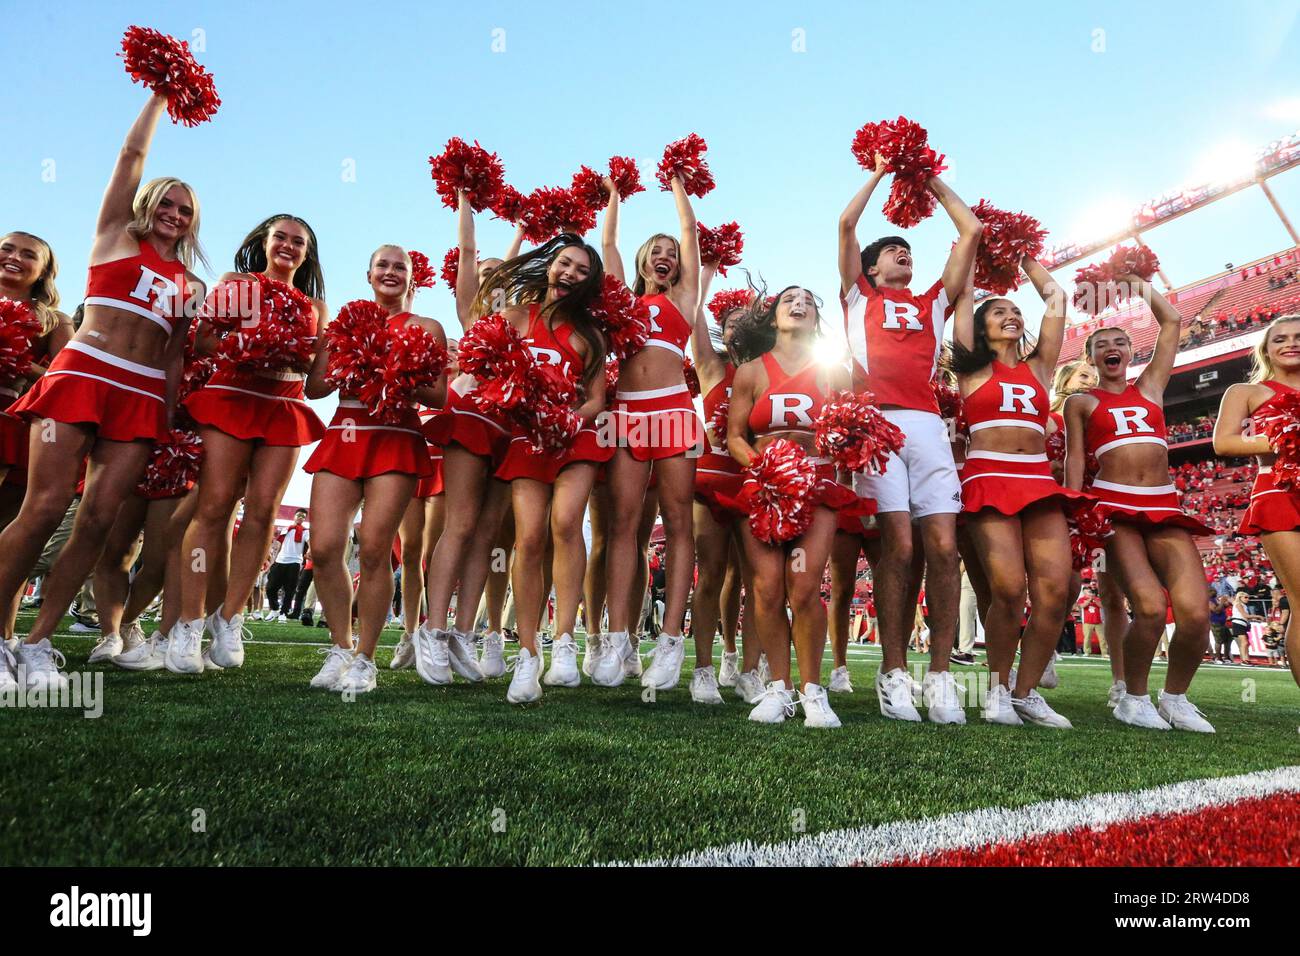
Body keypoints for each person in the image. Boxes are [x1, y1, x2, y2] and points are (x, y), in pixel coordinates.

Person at [0, 93, 204, 693]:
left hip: (139, 400)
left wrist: (165, 419)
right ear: (146, 204)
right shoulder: (116, 235)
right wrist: (163, 92)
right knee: (41, 509)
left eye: (185, 209)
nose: (172, 213)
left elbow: (172, 355)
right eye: (165, 202)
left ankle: (38, 646)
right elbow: (131, 153)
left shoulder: (191, 283)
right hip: (83, 377)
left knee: (97, 522)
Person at [837, 152, 983, 723]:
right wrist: (879, 170)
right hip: (877, 424)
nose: (905, 254)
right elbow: (847, 225)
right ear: (871, 270)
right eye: (893, 251)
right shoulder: (859, 297)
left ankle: (942, 675)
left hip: (926, 425)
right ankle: (893, 672)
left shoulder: (932, 302)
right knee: (896, 549)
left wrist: (926, 177)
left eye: (909, 250)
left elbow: (970, 229)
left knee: (943, 548)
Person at [1063, 276, 1215, 732]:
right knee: (1147, 606)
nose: (1112, 348)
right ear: (1091, 358)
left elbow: (1171, 320)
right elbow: (1074, 461)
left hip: (1163, 505)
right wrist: (1076, 517)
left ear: (1131, 352)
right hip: (1114, 507)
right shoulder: (1081, 402)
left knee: (1195, 611)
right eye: (1102, 344)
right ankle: (1132, 696)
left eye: (1120, 342)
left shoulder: (1150, 387)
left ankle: (1175, 697)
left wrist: (1135, 281)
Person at [177, 214, 328, 672]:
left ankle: (230, 617)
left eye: (298, 242)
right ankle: (188, 623)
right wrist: (248, 344)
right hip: (234, 396)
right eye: (280, 237)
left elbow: (319, 382)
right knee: (216, 505)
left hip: (283, 404)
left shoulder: (317, 306)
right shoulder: (238, 282)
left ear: (307, 254)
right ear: (263, 242)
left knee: (262, 509)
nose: (288, 245)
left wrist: (321, 357)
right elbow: (203, 339)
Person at [303, 245, 446, 694]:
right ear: (368, 275)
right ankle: (341, 647)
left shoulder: (427, 328)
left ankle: (366, 658)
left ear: (411, 278)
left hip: (395, 437)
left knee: (374, 549)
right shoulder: (344, 322)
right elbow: (315, 387)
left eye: (399, 266)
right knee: (325, 548)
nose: (390, 272)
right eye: (382, 265)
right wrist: (350, 354)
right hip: (345, 431)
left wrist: (400, 372)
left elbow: (438, 397)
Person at [725, 285, 864, 728]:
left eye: (808, 299)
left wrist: (837, 463)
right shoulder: (750, 372)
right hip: (763, 484)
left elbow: (853, 431)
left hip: (817, 484)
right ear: (773, 318)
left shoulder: (834, 373)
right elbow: (734, 437)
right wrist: (765, 468)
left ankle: (812, 691)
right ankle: (778, 689)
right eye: (789, 299)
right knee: (765, 588)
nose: (800, 303)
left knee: (803, 587)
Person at [951, 255, 1078, 726]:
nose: (1011, 315)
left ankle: (1025, 693)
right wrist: (977, 246)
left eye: (1014, 311)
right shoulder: (971, 370)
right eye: (998, 311)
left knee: (1056, 589)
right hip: (988, 477)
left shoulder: (1040, 366)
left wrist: (1021, 255)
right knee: (1007, 589)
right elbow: (961, 296)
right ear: (982, 328)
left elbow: (1056, 298)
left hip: (1038, 481)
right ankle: (997, 690)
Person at [487, 238, 608, 704]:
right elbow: (489, 366)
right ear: (551, 266)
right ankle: (529, 653)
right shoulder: (515, 316)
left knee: (565, 522)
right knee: (530, 536)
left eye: (582, 270)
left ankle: (563, 642)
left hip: (575, 436)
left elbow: (596, 399)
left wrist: (568, 420)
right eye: (565, 264)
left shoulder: (590, 333)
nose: (571, 274)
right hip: (526, 440)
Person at [596, 173, 703, 690]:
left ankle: (669, 640)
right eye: (654, 250)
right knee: (623, 525)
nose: (664, 255)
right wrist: (615, 197)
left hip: (675, 410)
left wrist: (678, 183)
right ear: (642, 262)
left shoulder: (683, 298)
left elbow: (690, 230)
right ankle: (619, 638)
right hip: (626, 413)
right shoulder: (622, 300)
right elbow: (609, 243)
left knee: (680, 523)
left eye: (670, 252)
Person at [1214, 316, 1300, 690]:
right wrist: (1286, 438)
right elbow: (1225, 443)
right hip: (1278, 492)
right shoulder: (1244, 392)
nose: (1290, 343)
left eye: (1299, 337)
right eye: (1279, 339)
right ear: (1266, 350)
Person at [689, 274, 758, 703]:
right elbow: (692, 309)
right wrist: (708, 266)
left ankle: (750, 668)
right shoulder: (711, 365)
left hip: (754, 480)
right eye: (729, 321)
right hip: (713, 477)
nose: (736, 327)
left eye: (744, 320)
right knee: (711, 573)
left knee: (758, 579)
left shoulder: (767, 370)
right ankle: (703, 668)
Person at [267, 510, 310, 622]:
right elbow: (278, 545)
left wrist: (309, 551)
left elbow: (310, 544)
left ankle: (283, 613)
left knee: (289, 590)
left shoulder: (306, 532)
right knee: (270, 587)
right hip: (280, 561)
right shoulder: (286, 529)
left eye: (303, 516)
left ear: (304, 519)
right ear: (294, 516)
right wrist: (272, 561)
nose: (300, 517)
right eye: (299, 515)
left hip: (295, 562)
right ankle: (275, 608)